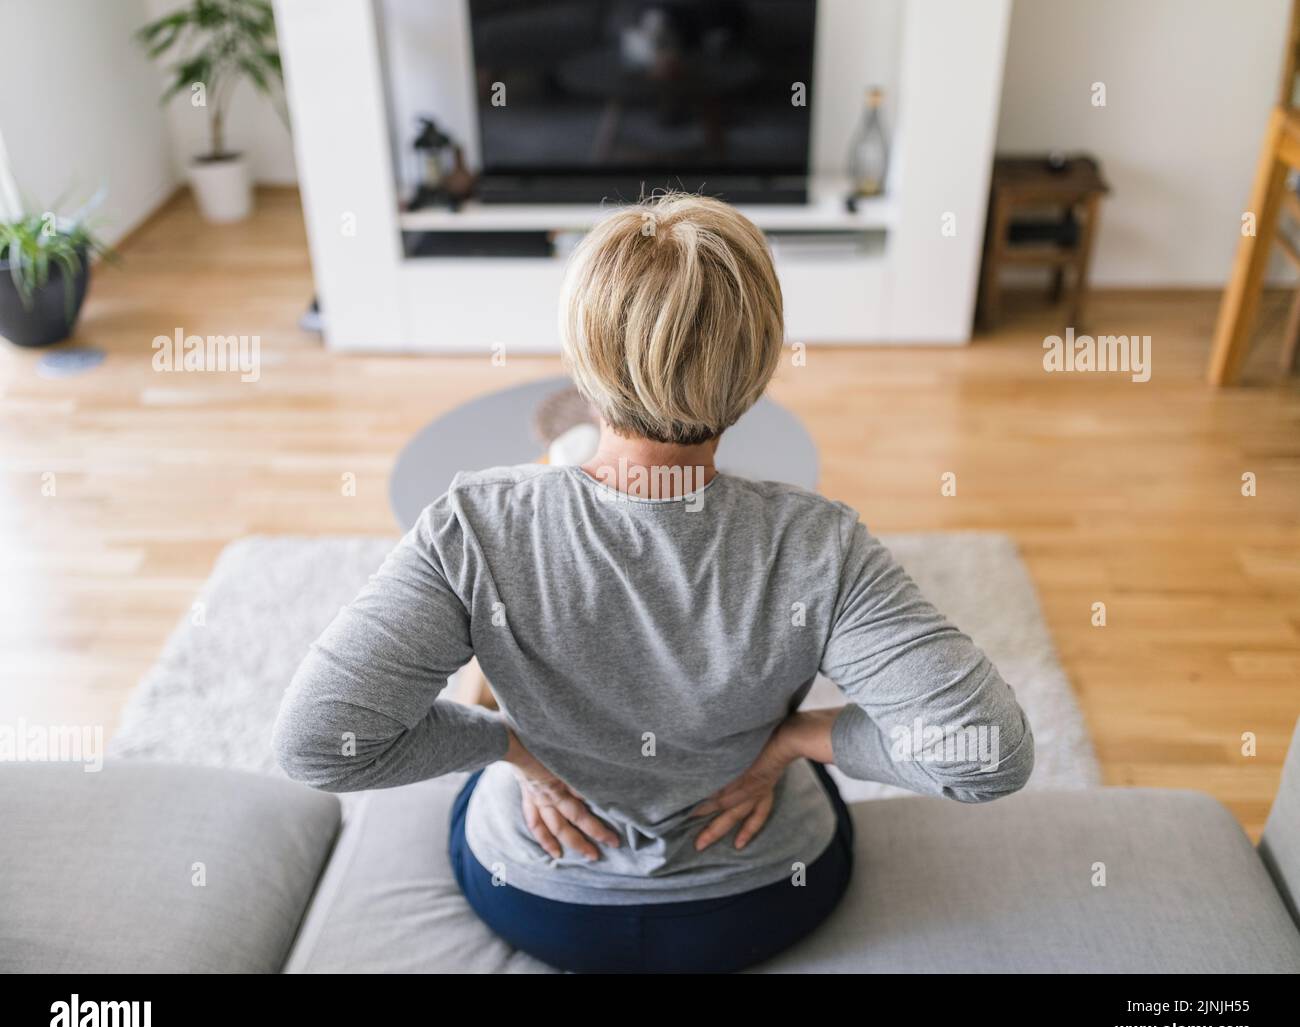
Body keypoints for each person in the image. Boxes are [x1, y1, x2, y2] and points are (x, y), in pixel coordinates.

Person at [273, 193, 1034, 973]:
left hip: (543, 900)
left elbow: (318, 746)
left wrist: (509, 747)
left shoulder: (473, 527)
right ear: (759, 361)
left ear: (582, 353)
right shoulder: (819, 544)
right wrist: (795, 743)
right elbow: (986, 755)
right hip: (760, 901)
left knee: (484, 688)